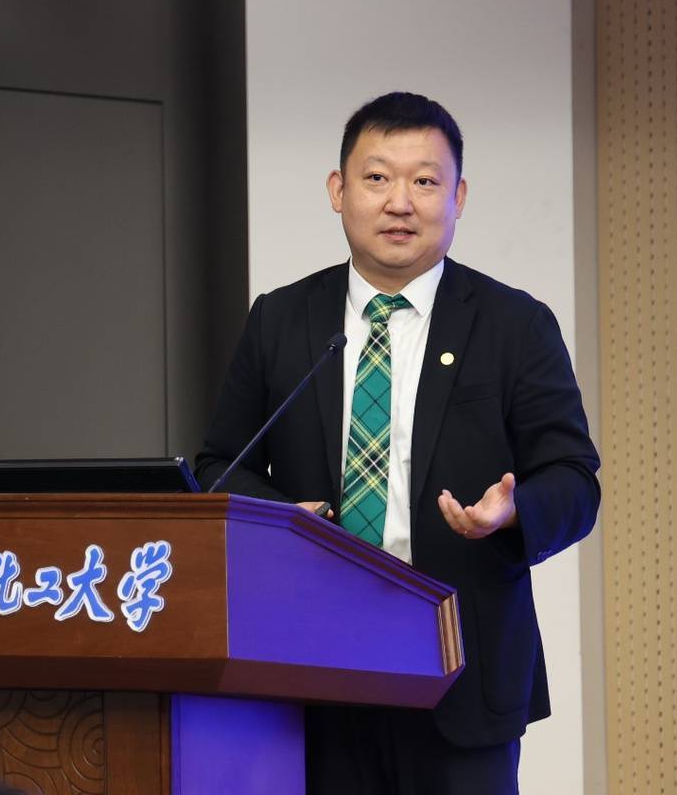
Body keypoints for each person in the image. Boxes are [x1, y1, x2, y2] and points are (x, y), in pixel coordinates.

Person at [195, 92, 601, 794]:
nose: (400, 203)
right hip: (311, 665)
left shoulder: (514, 324)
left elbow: (574, 480)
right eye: (378, 178)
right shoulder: (281, 319)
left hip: (460, 669)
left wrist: (513, 514)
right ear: (338, 190)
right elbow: (218, 467)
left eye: (426, 181)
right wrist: (285, 520)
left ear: (459, 197)